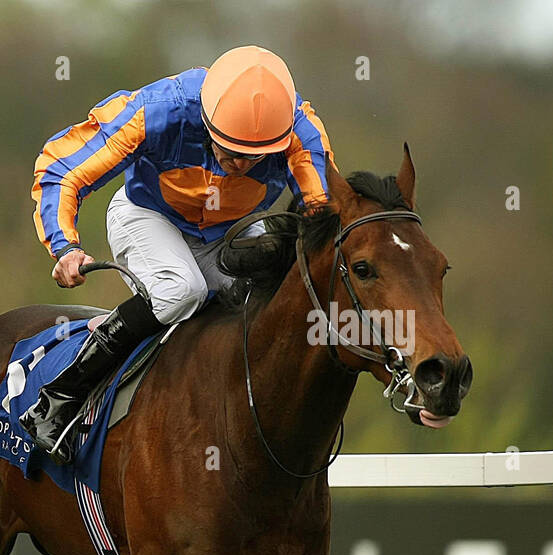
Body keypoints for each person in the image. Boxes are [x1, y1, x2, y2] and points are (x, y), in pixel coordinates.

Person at [23, 45, 335, 463]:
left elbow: (324, 214)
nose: (238, 165)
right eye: (229, 149)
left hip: (231, 231)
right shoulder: (157, 110)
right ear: (205, 118)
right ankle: (60, 397)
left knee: (279, 301)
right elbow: (63, 167)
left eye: (252, 156)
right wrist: (65, 246)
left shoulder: (302, 132)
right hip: (149, 216)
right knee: (181, 289)